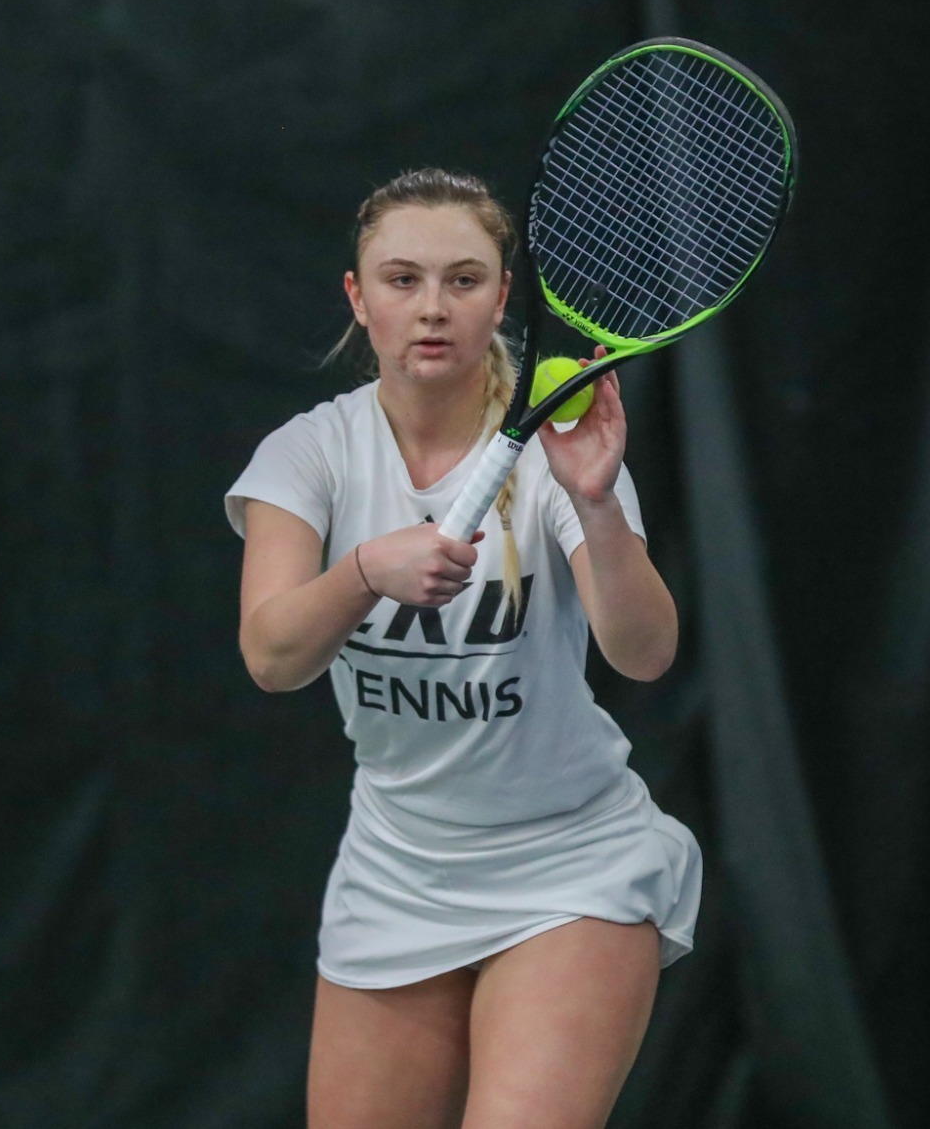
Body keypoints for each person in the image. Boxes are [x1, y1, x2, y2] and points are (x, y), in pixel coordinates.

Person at [225, 167, 702, 1128]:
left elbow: (646, 652)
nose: (432, 308)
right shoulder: (307, 455)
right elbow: (274, 656)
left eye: (464, 279)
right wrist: (363, 569)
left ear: (502, 296)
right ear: (359, 299)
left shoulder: (558, 452)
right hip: (398, 867)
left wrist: (600, 502)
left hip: (572, 861)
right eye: (401, 280)